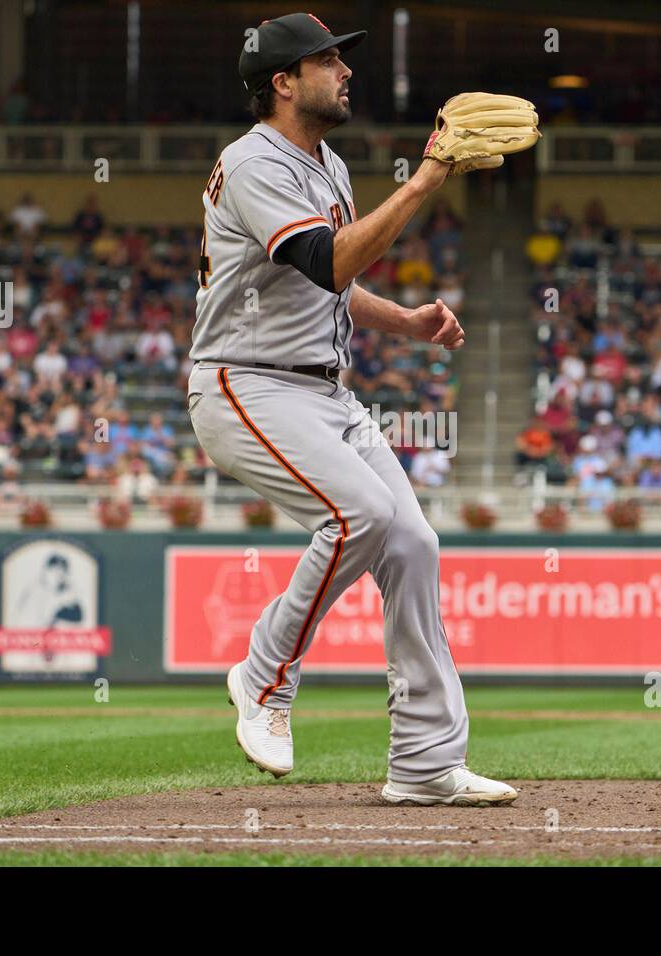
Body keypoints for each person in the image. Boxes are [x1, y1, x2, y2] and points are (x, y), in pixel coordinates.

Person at [188, 14, 536, 807]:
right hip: (247, 383)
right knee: (361, 515)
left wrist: (405, 321)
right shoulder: (251, 164)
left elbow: (330, 282)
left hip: (321, 388)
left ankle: (423, 762)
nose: (345, 70)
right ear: (283, 82)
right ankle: (263, 678)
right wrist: (424, 179)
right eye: (328, 60)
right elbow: (324, 256)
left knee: (410, 539)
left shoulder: (329, 165)